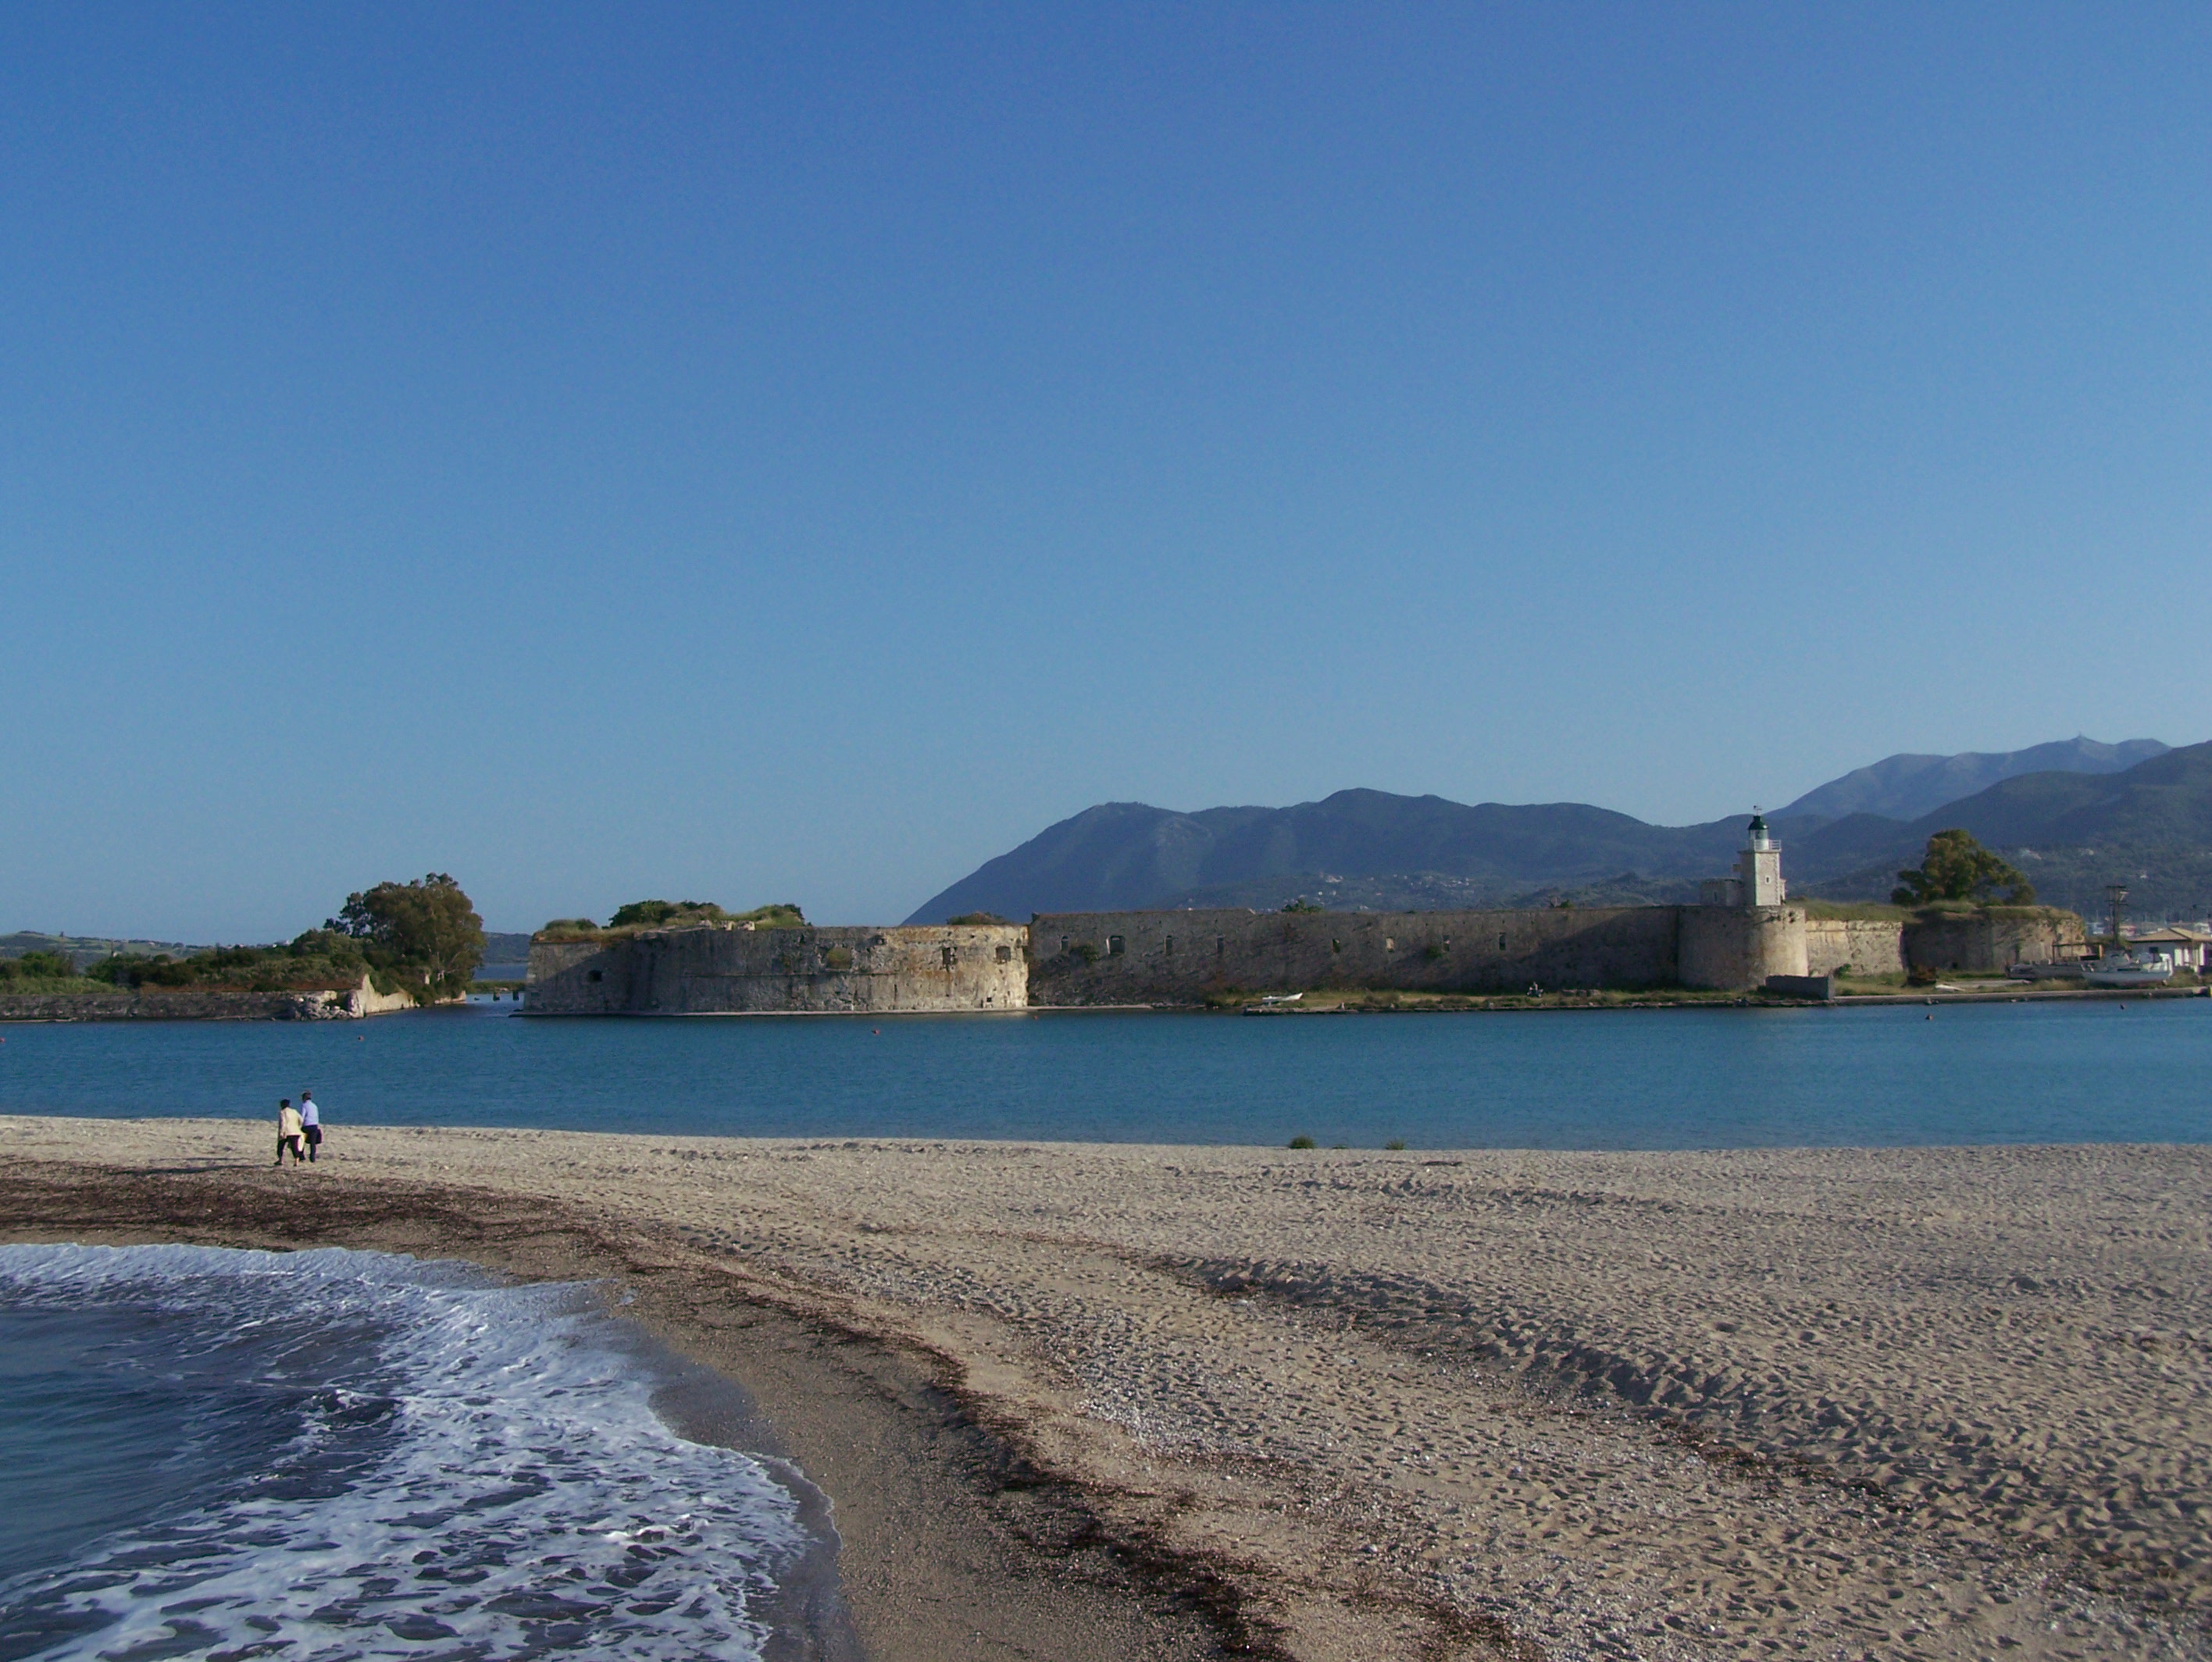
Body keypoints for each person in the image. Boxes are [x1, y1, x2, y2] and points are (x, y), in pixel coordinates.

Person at [276, 1099, 305, 1167]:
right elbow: (301, 1120)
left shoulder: (282, 1112)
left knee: (280, 1146)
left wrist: (281, 1132)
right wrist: (298, 1126)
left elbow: (283, 1123)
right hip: (295, 1131)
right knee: (295, 1146)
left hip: (287, 1131)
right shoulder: (294, 1111)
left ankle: (281, 1160)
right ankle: (296, 1160)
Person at [299, 1090, 323, 1163]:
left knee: (301, 1141)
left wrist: (299, 1125)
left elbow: (302, 1117)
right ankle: (312, 1158)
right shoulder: (314, 1106)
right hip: (314, 1125)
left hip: (306, 1125)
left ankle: (302, 1156)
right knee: (313, 1143)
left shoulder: (304, 1105)